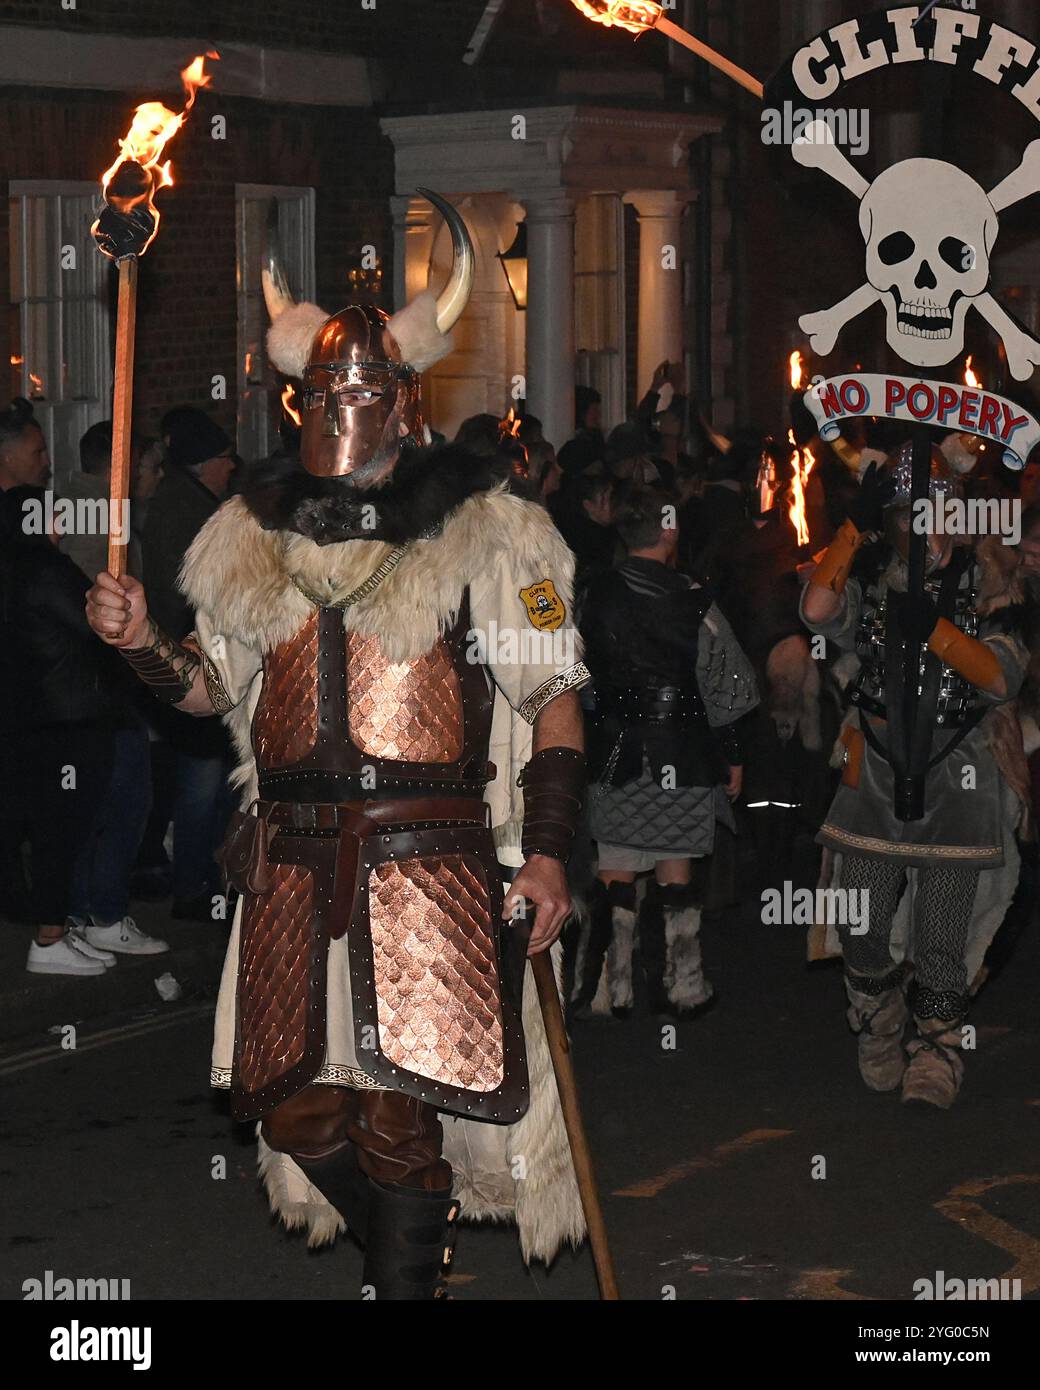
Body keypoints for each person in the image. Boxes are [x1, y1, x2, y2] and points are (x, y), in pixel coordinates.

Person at [86, 196, 589, 1299]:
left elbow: (551, 694)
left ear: (406, 402)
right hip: (291, 862)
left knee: (400, 1113)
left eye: (364, 391)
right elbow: (211, 689)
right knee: (297, 1110)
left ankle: (405, 1284)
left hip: (432, 854)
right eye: (324, 393)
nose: (344, 409)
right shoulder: (247, 536)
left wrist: (546, 850)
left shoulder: (493, 531)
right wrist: (137, 645)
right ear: (293, 400)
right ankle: (416, 1250)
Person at [801, 444, 1027, 1108]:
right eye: (917, 511)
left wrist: (938, 631)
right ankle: (878, 1022)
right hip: (873, 768)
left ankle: (938, 1049)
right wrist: (851, 527)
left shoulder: (993, 581)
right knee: (861, 920)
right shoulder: (872, 575)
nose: (934, 523)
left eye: (947, 508)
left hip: (959, 774)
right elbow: (815, 612)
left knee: (940, 932)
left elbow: (1001, 676)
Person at [575, 485, 758, 1019]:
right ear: (670, 531)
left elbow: (573, 675)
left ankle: (611, 989)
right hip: (682, 752)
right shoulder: (695, 600)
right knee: (676, 863)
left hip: (614, 753)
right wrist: (735, 755)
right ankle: (683, 984)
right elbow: (727, 684)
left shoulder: (591, 594)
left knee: (615, 862)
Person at [140, 406, 236, 920]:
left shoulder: (190, 505)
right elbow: (189, 594)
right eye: (224, 458)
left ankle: (205, 880)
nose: (231, 467)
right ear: (203, 464)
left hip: (201, 654)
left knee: (211, 781)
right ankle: (193, 887)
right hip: (194, 658)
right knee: (200, 783)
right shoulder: (190, 513)